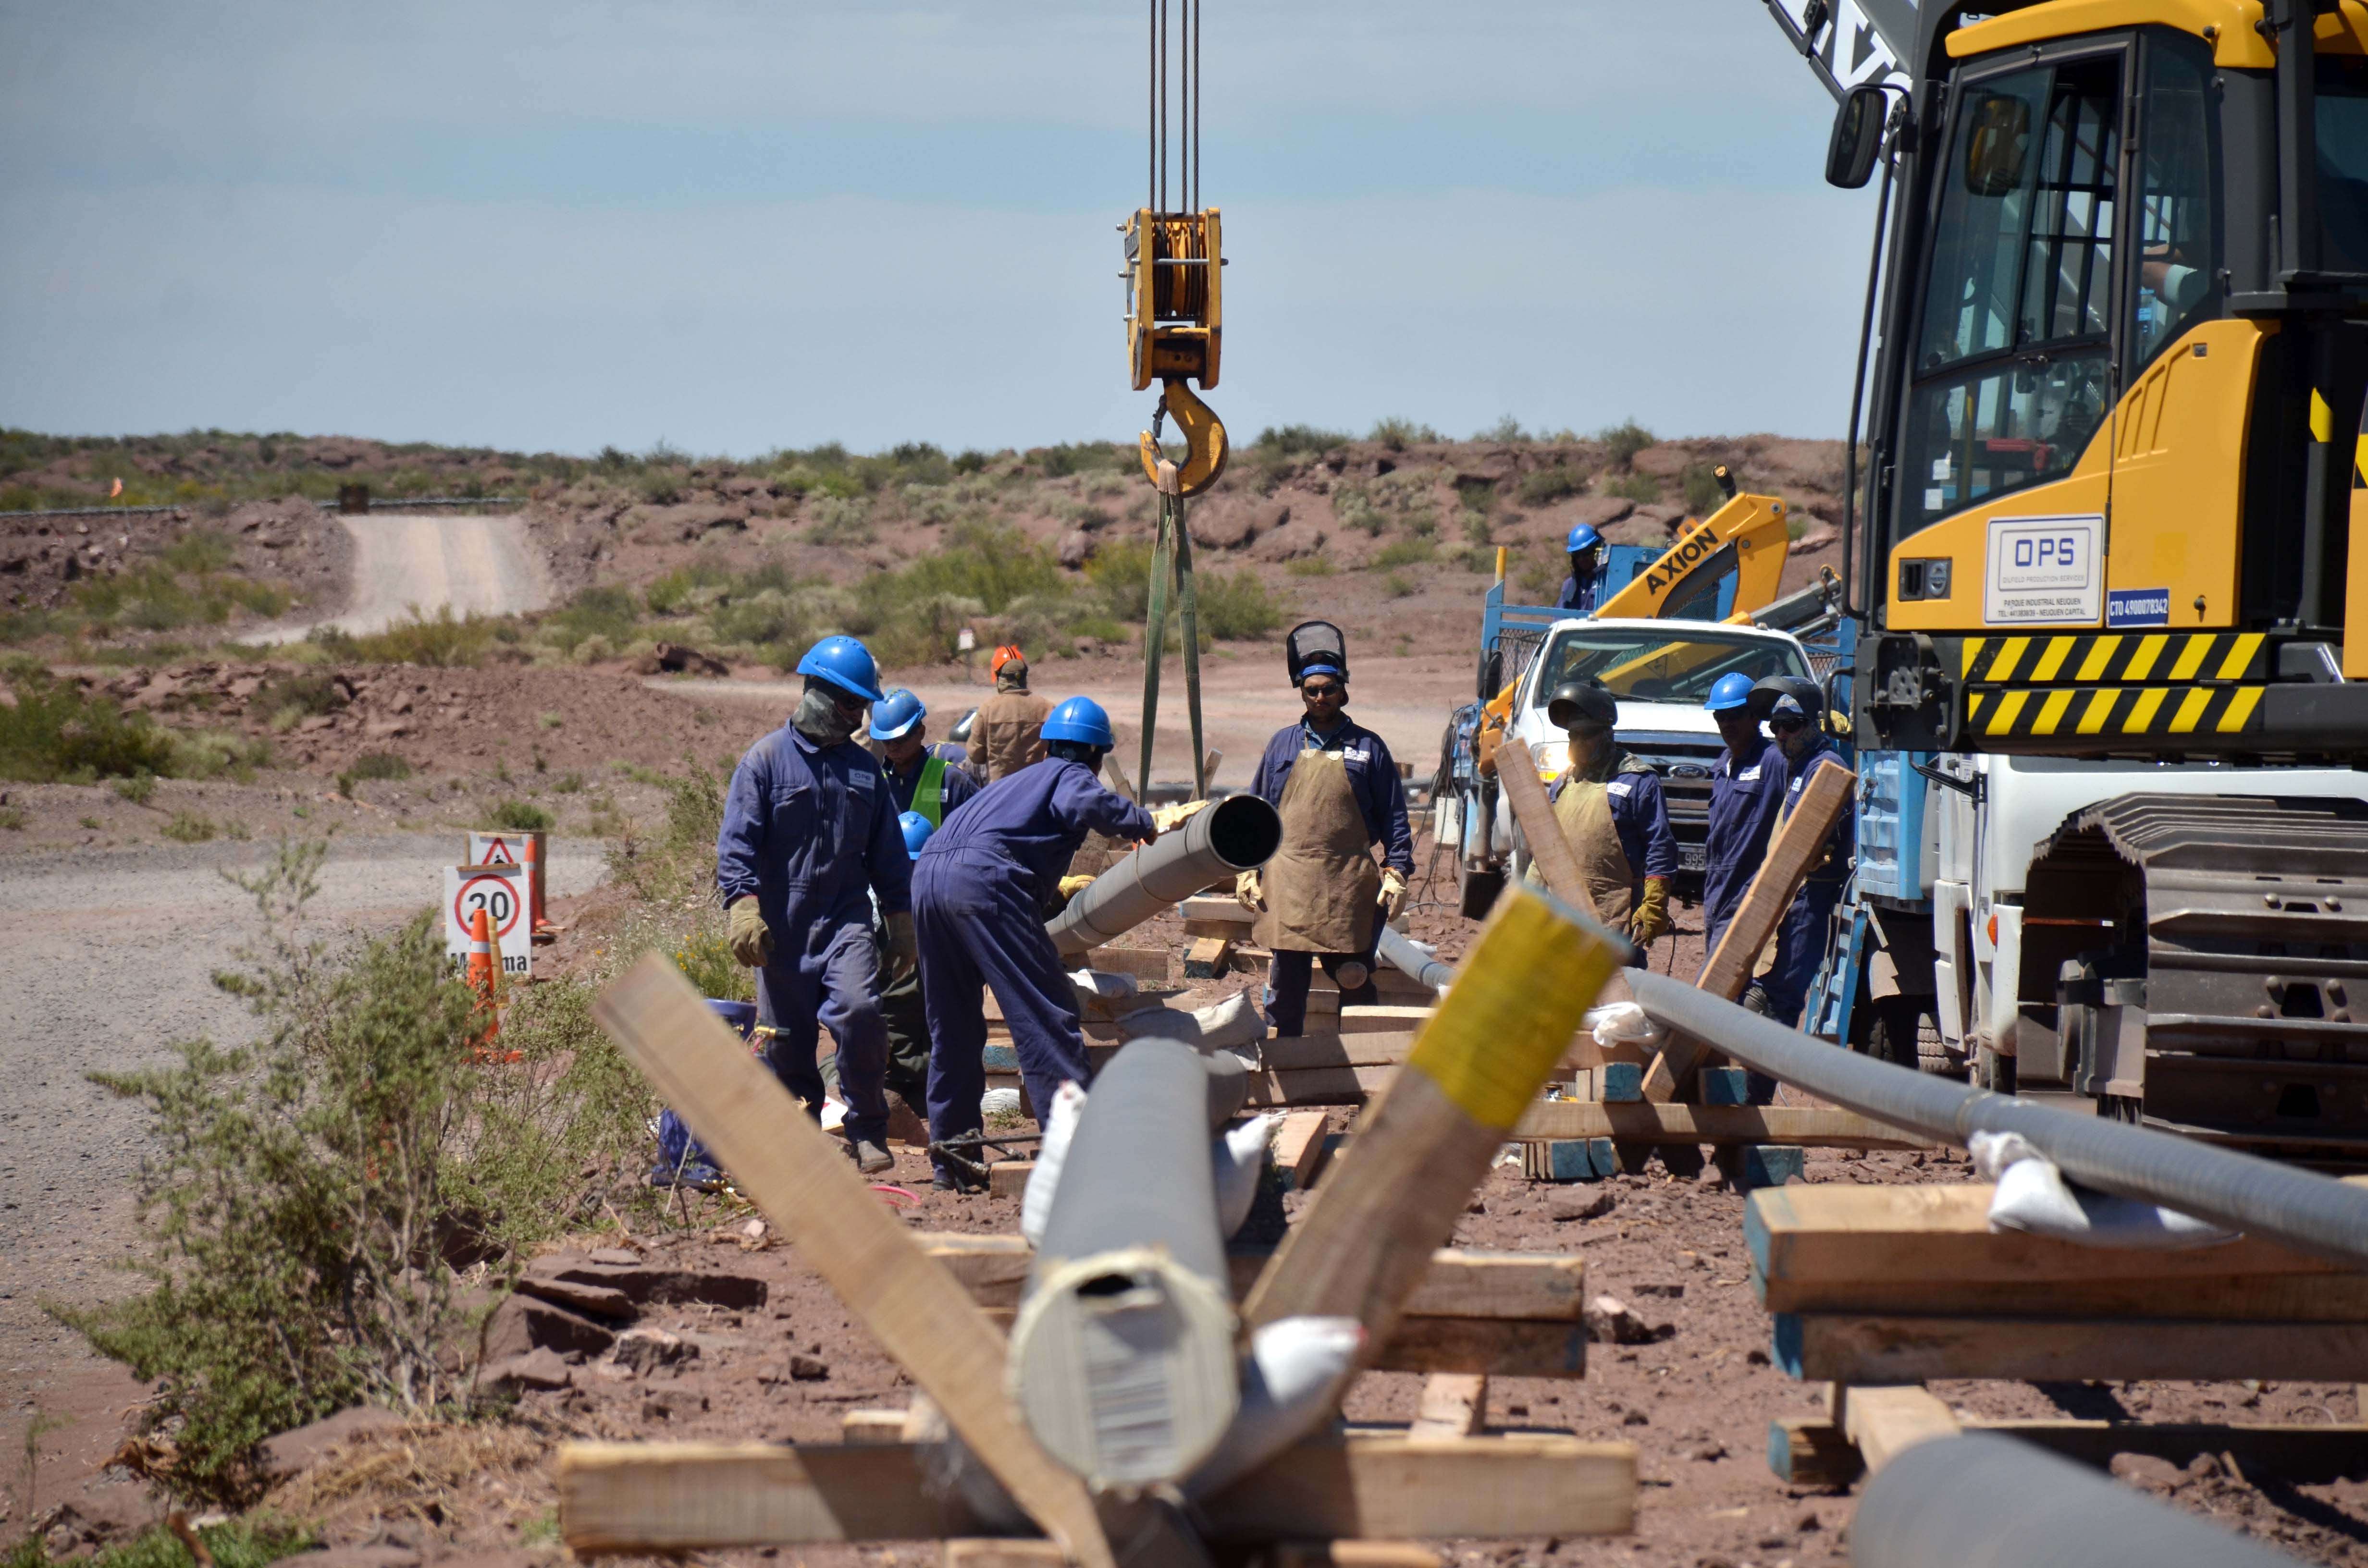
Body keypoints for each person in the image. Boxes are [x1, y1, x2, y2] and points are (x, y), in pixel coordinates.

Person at [913, 695, 1156, 1188]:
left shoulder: (1014, 781)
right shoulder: (1070, 776)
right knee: (1045, 1015)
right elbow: (1083, 802)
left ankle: (953, 1162)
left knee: (953, 1027)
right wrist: (1144, 822)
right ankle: (1073, 1158)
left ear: (1046, 746)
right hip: (984, 885)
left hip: (928, 879)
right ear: (1095, 756)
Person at [717, 634, 912, 1174]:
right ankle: (800, 1141)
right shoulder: (764, 762)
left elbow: (889, 855)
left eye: (863, 706)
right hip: (782, 926)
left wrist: (900, 921)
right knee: (786, 1041)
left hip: (844, 919)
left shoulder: (863, 770)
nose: (859, 718)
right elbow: (737, 844)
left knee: (860, 1011)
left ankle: (868, 1129)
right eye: (852, 704)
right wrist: (742, 906)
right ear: (818, 693)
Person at [1240, 648, 1415, 1037]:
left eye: (1329, 689)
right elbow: (1258, 812)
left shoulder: (1369, 748)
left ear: (1342, 692)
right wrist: (1249, 869)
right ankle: (1287, 1063)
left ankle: (1361, 1068)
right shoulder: (1281, 745)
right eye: (1311, 690)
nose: (1320, 698)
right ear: (1301, 694)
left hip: (1347, 882)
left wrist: (1397, 871)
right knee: (1286, 983)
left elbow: (1394, 816)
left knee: (1354, 977)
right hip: (1289, 882)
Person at [1524, 682, 1677, 958]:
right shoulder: (1563, 783)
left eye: (1587, 735)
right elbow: (1544, 853)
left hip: (1614, 920)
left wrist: (1654, 904)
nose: (1578, 743)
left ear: (1607, 733)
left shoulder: (1638, 780)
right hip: (1562, 921)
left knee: (1614, 997)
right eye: (1574, 736)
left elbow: (1660, 846)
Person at [1749, 676, 1854, 1029]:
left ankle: (1758, 1085)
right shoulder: (1800, 766)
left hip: (1810, 900)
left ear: (1814, 725)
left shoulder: (1827, 769)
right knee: (1763, 993)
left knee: (1778, 1000)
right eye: (1776, 726)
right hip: (1791, 898)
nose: (1781, 735)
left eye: (1791, 726)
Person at [1697, 670, 1788, 964]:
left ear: (1754, 716)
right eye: (1719, 717)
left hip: (1749, 891)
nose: (1726, 724)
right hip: (1717, 890)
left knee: (1718, 983)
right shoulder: (1722, 765)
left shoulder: (1774, 760)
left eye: (1734, 715)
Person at [870, 687, 978, 827]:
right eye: (886, 741)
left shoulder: (950, 780)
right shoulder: (877, 783)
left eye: (900, 739)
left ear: (921, 733)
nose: (892, 747)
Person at [972, 644, 1053, 782]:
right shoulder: (1048, 708)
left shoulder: (989, 709)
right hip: (1037, 789)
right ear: (1024, 678)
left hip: (999, 792)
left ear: (1000, 678)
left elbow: (975, 755)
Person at [1554, 523, 1605, 613]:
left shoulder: (1607, 583)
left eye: (1586, 552)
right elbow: (1559, 618)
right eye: (1577, 555)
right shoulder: (1569, 585)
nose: (1582, 559)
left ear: (1598, 549)